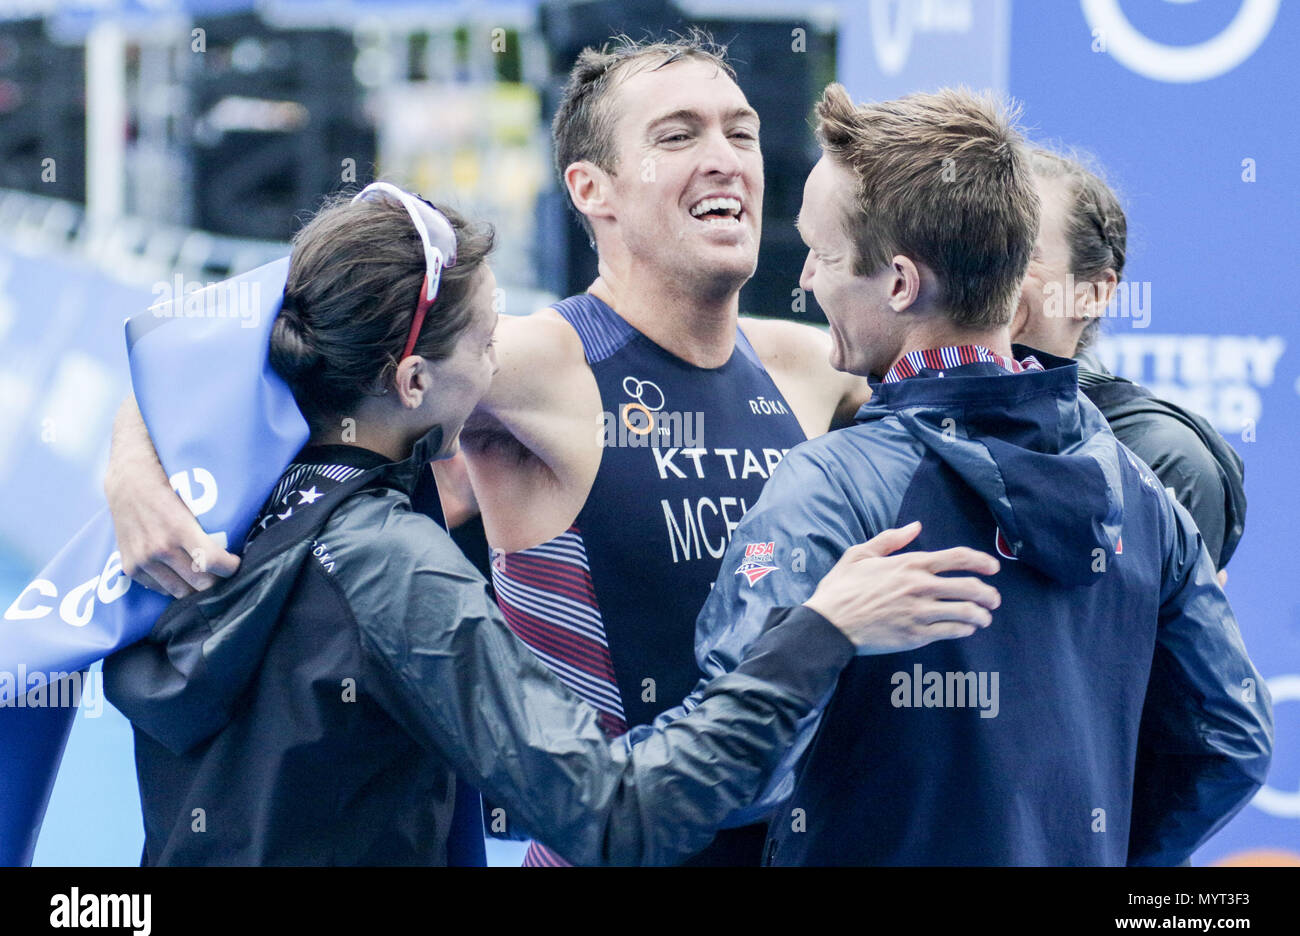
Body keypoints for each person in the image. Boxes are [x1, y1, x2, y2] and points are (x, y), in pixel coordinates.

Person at [102, 32, 874, 865]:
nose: (724, 158)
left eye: (742, 130)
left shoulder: (812, 366)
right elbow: (291, 320)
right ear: (591, 188)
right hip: (611, 825)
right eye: (678, 135)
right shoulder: (525, 360)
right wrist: (132, 462)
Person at [640, 85, 1273, 865]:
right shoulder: (1137, 488)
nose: (807, 279)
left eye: (824, 254)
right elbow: (1232, 739)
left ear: (901, 283)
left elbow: (735, 773)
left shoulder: (826, 487)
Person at [1010, 147, 1246, 573]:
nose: (991, 267)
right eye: (981, 242)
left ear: (1094, 293)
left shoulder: (1160, 459)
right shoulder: (889, 407)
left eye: (1023, 250)